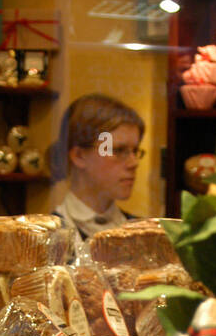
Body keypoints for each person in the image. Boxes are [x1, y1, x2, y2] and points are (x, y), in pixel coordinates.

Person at [49, 94, 146, 240]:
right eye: (118, 150)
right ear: (79, 156)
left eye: (135, 151)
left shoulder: (143, 235)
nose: (134, 163)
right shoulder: (46, 237)